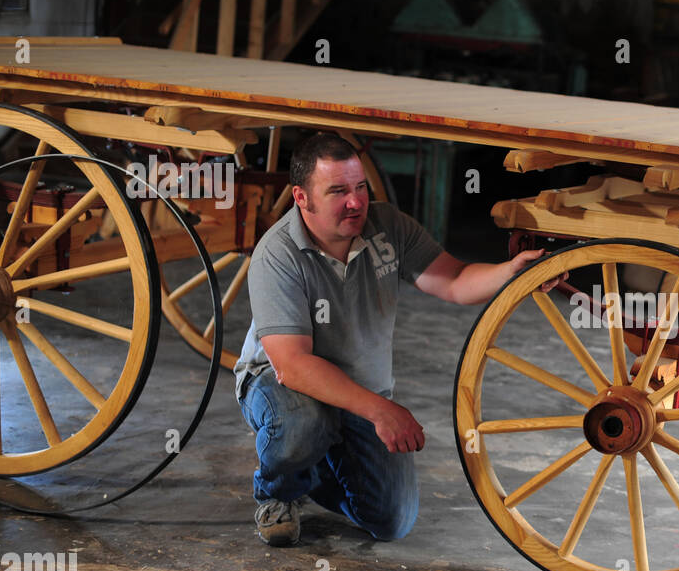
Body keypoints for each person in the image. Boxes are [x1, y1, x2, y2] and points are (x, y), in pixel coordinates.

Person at [235, 132, 553, 547]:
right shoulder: (278, 255)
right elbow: (292, 365)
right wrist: (382, 411)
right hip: (285, 387)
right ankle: (278, 492)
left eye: (360, 187)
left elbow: (454, 281)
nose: (356, 202)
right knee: (304, 423)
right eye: (338, 191)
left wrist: (513, 272)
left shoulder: (388, 227)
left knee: (390, 521)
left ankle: (311, 470)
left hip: (362, 393)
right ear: (302, 197)